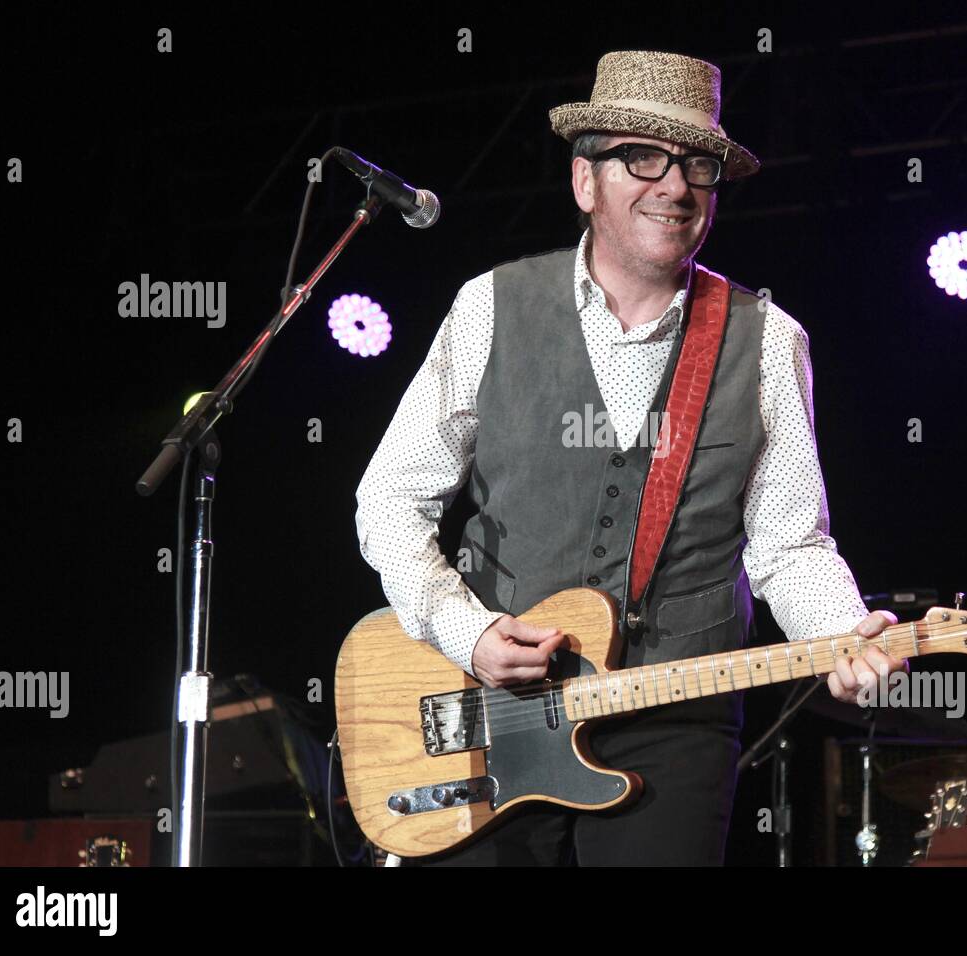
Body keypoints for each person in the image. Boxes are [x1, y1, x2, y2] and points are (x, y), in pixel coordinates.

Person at [355, 50, 907, 866]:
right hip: (489, 706)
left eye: (698, 165)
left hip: (675, 718)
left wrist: (841, 636)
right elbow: (391, 499)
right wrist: (466, 633)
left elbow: (789, 545)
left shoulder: (768, 340)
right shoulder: (489, 305)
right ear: (586, 182)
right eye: (641, 158)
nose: (675, 185)